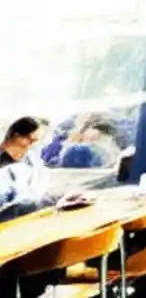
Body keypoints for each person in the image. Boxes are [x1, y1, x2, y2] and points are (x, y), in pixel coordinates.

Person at [1, 117, 68, 298]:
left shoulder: (31, 162)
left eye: (36, 143)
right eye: (30, 140)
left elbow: (37, 193)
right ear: (15, 136)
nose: (31, 146)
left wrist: (60, 198)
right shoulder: (4, 165)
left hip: (27, 229)